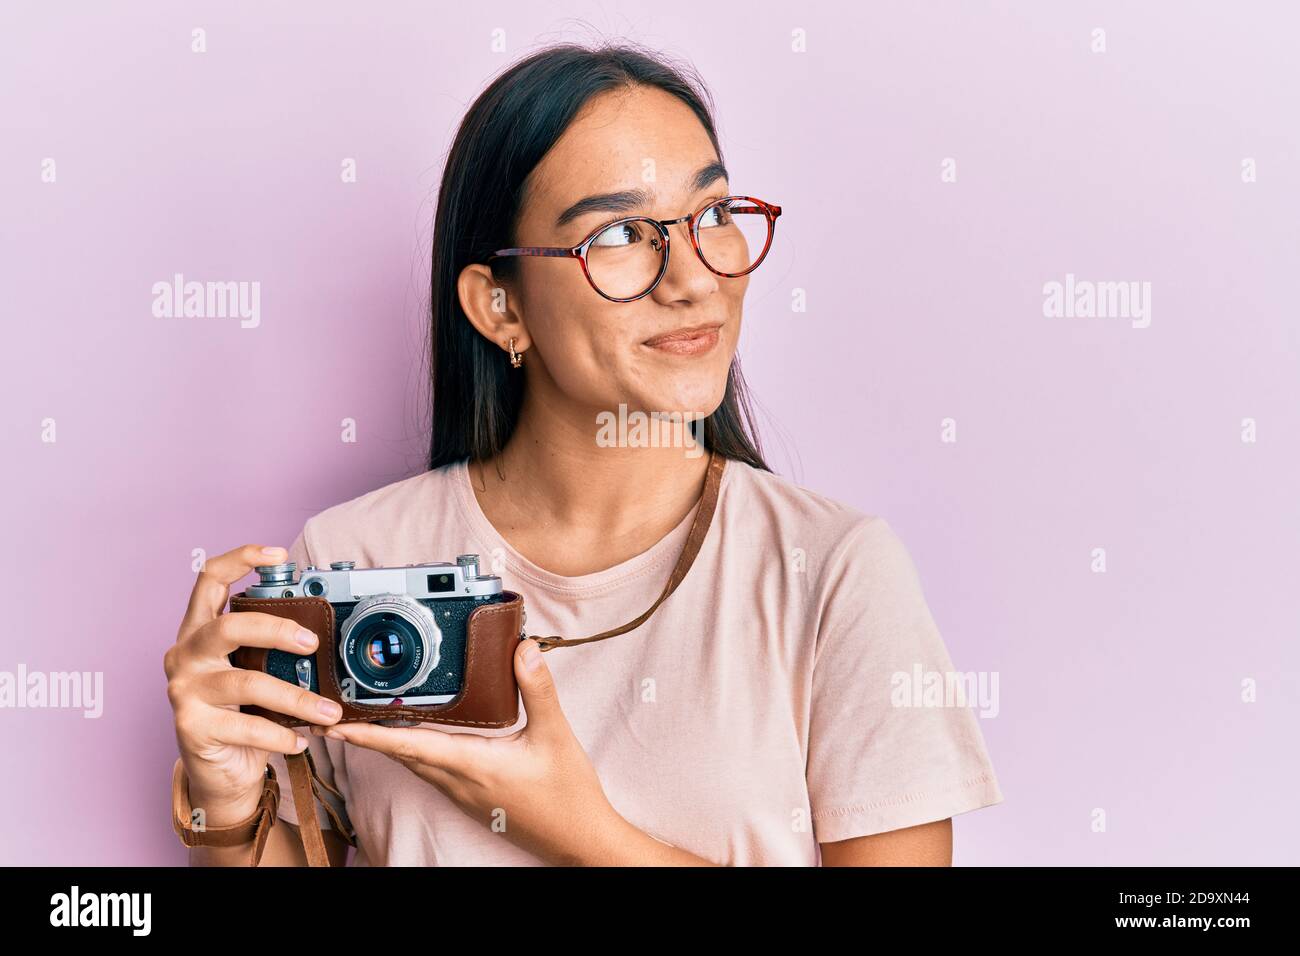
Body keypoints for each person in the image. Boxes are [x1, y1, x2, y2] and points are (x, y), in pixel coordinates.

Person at [164, 41, 1002, 867]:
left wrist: (571, 828)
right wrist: (228, 797)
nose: (695, 279)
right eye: (623, 233)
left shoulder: (830, 573)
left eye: (712, 216)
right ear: (499, 308)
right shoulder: (354, 559)